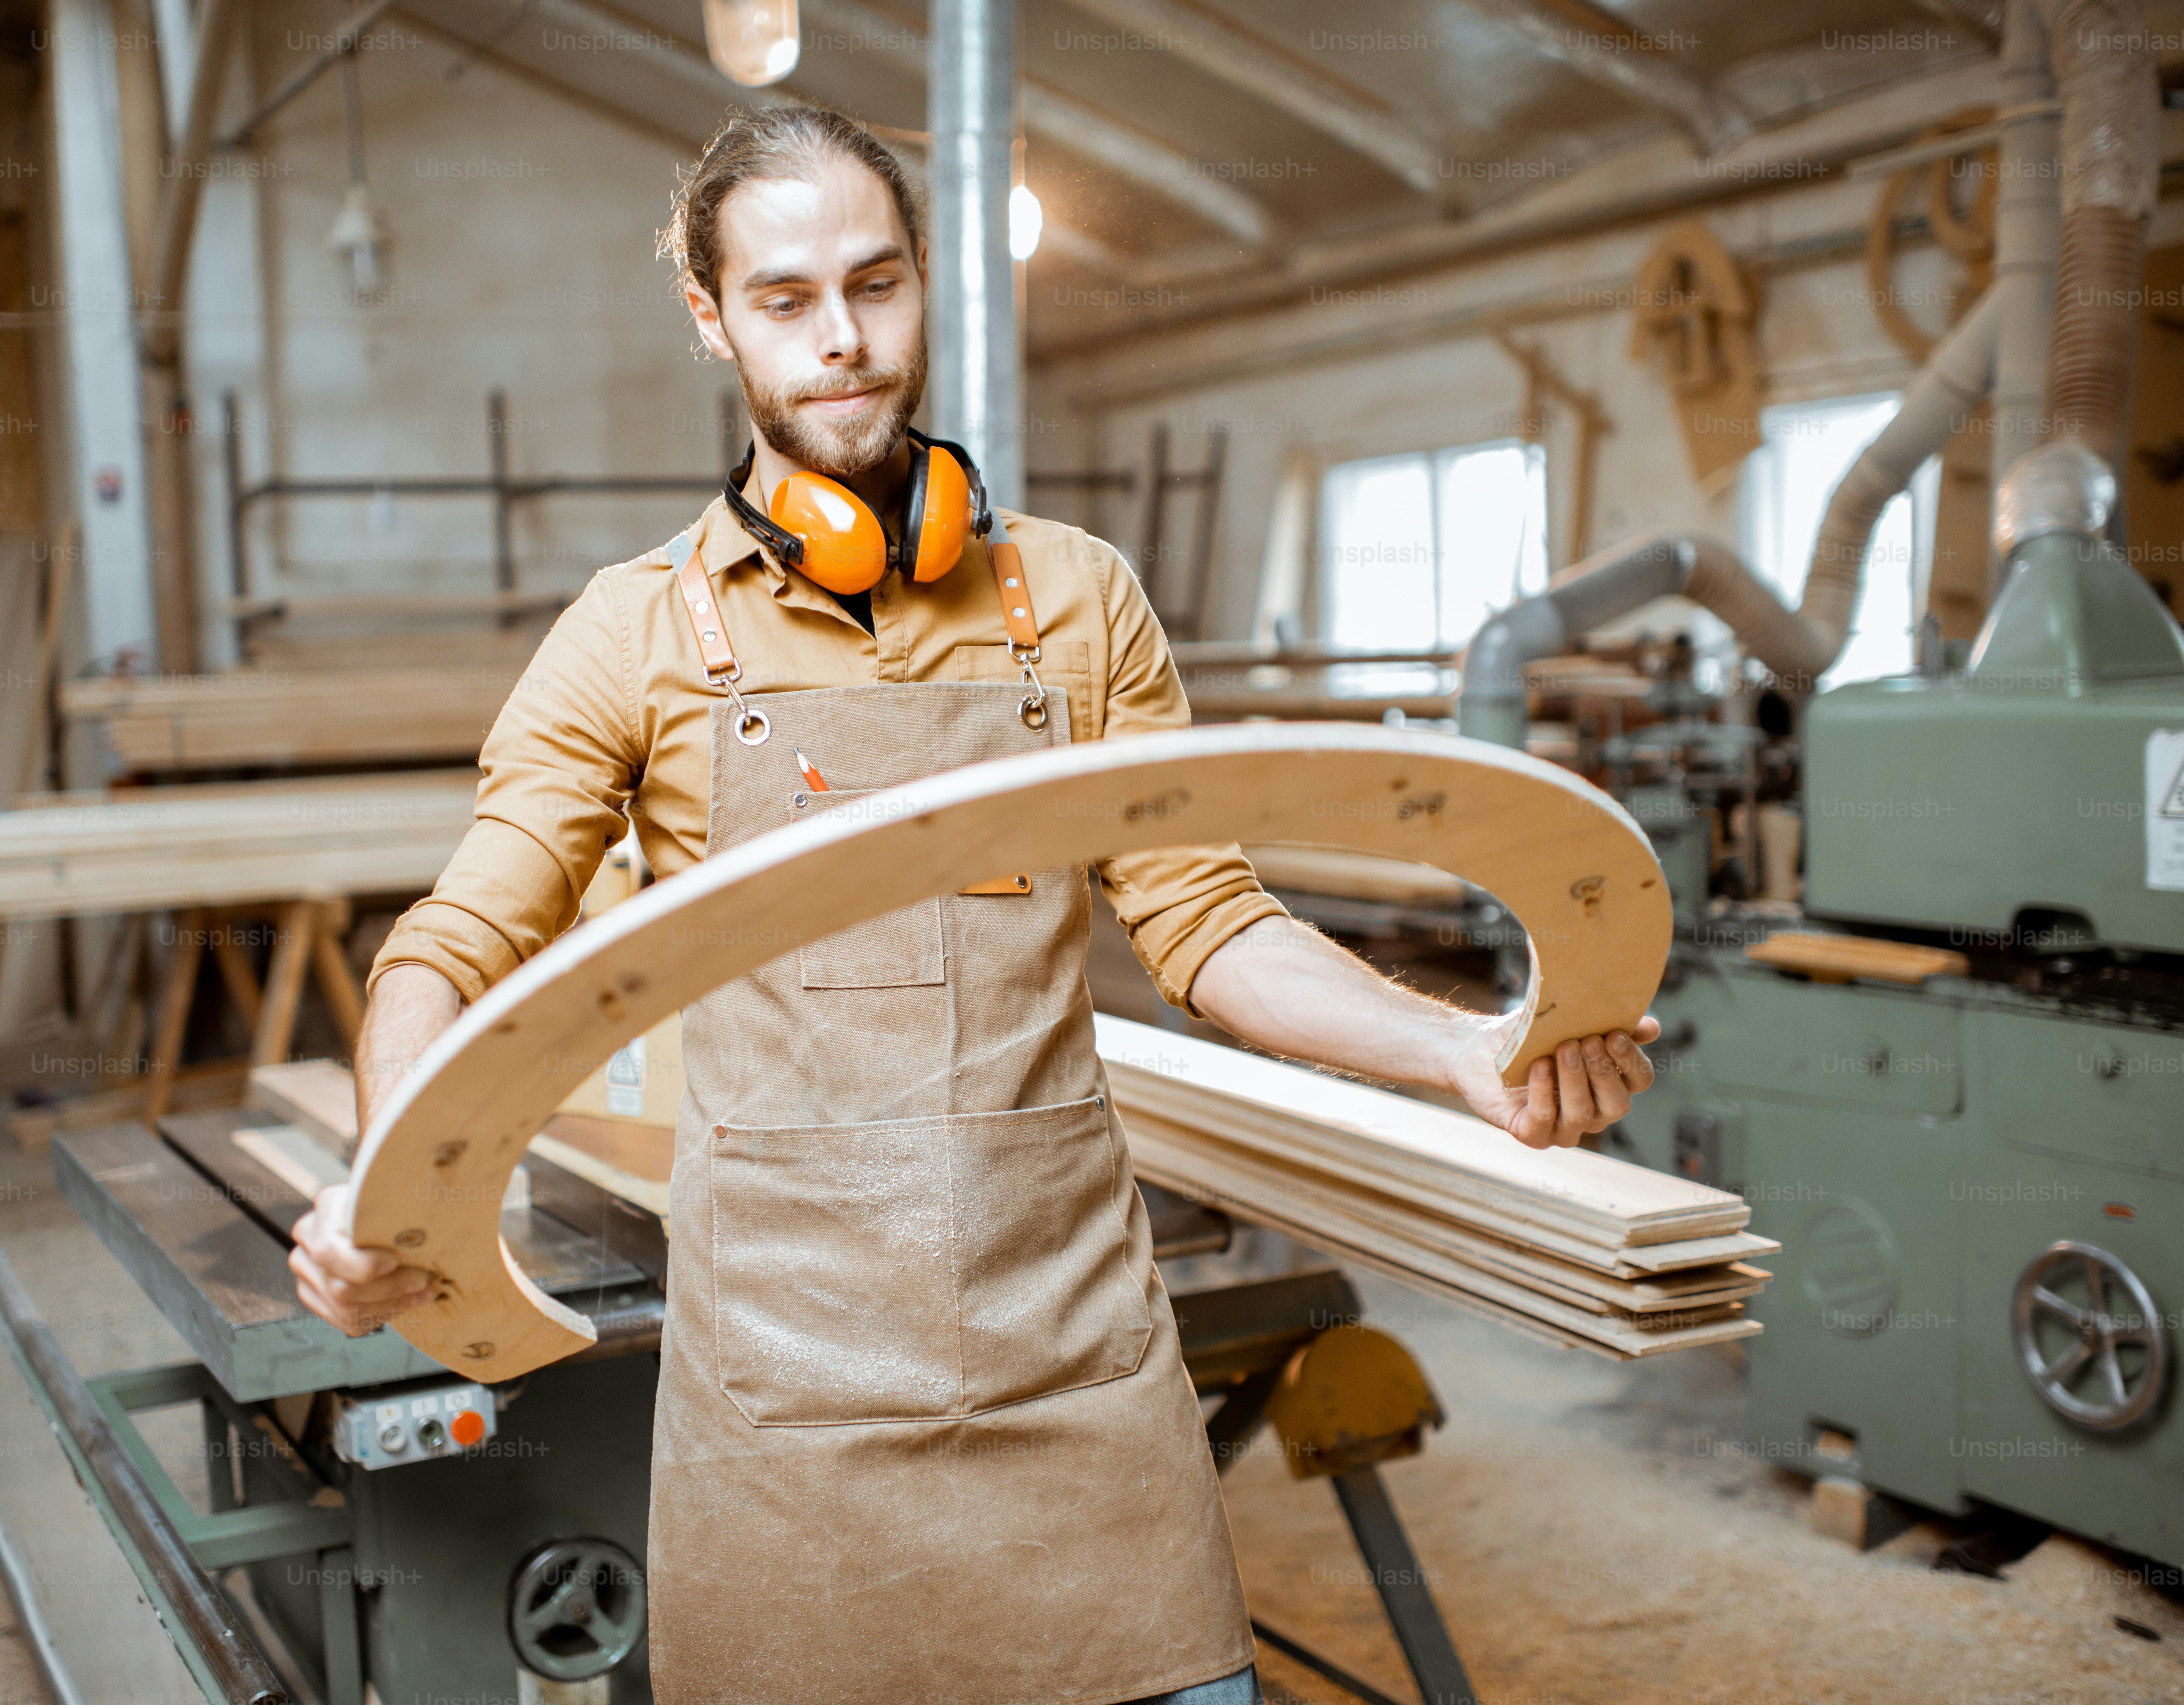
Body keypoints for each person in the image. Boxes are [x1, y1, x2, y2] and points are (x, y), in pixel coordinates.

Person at [290, 104, 1659, 1705]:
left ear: (928, 284)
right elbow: (452, 948)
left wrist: (1466, 1056)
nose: (845, 342)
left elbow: (1210, 924)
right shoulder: (632, 638)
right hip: (779, 1399)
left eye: (878, 286)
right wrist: (392, 1184)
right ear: (710, 317)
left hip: (1075, 1368)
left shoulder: (1077, 602)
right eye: (787, 301)